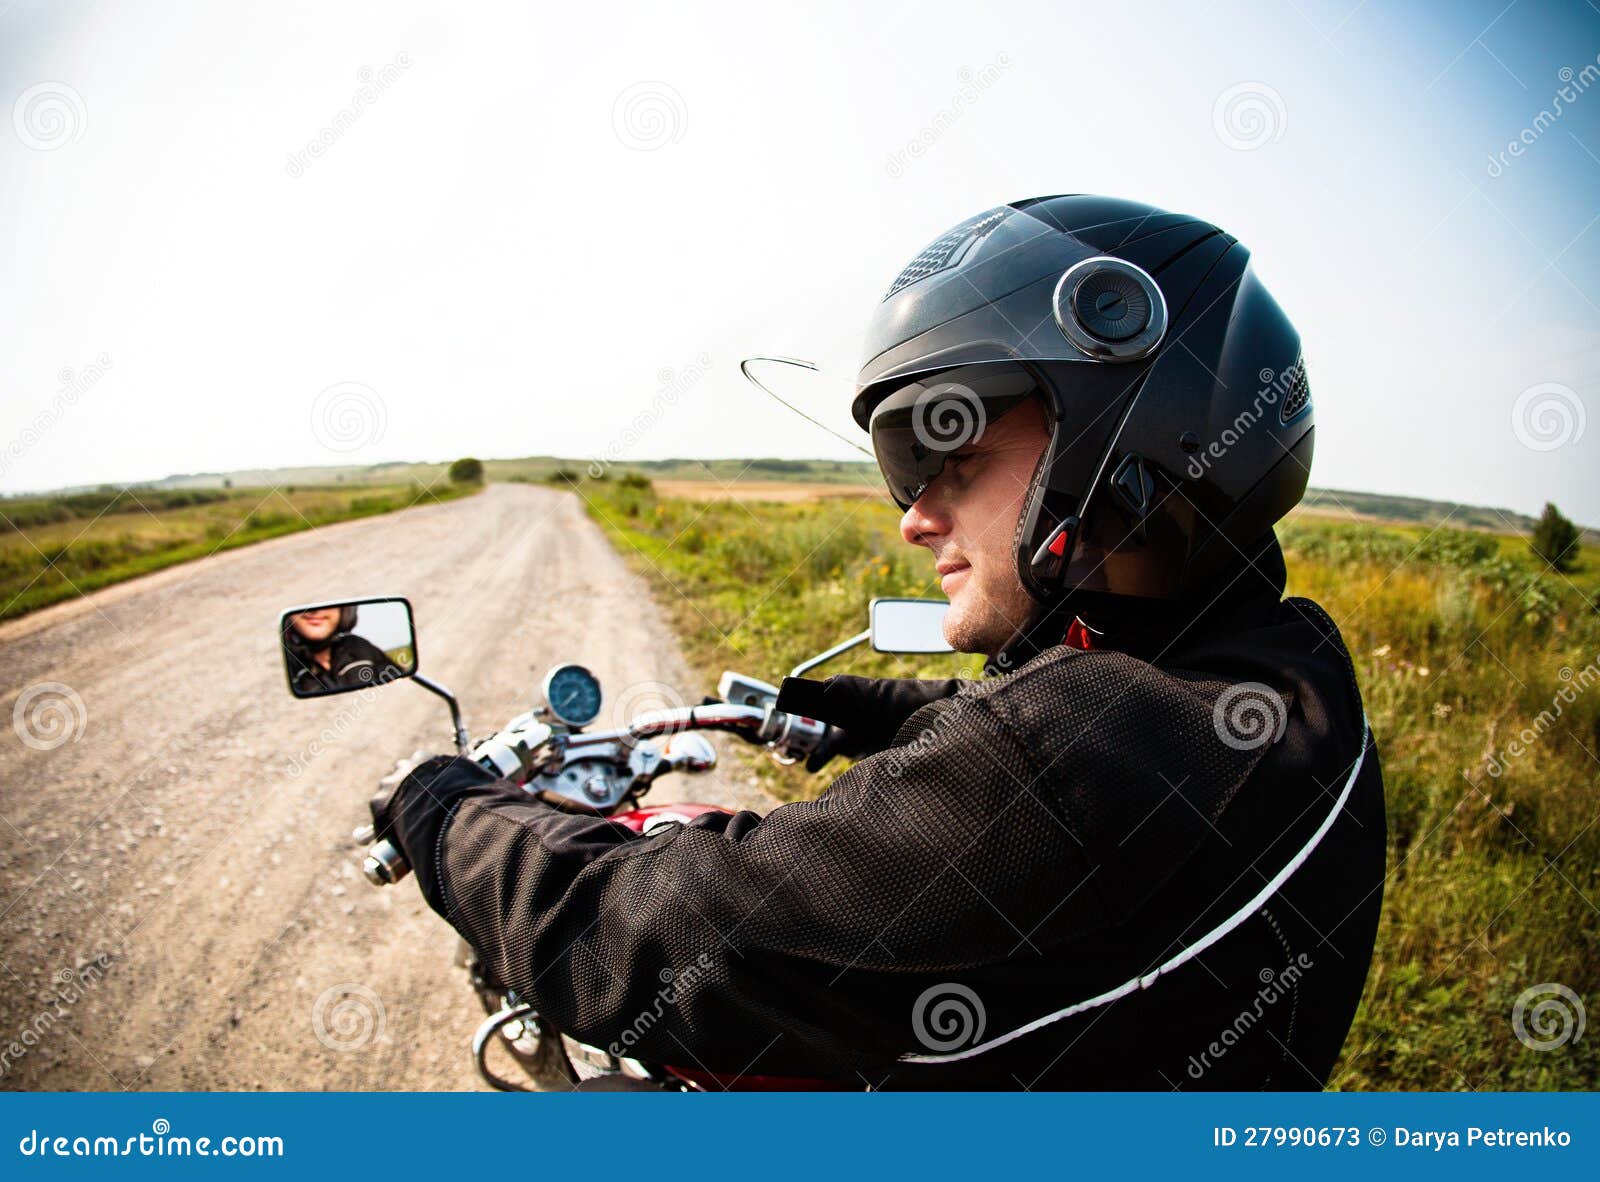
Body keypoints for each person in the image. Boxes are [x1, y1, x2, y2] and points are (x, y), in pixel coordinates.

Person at [375, 195, 1385, 1089]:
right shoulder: (1284, 674)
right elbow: (1004, 723)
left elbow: (660, 937)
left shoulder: (1062, 761)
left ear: (1118, 435)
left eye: (947, 451)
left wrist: (446, 809)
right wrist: (831, 708)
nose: (912, 515)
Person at [282, 605, 405, 694]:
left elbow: (399, 677)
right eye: (303, 605)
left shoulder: (357, 646)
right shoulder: (286, 663)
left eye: (328, 604)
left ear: (344, 611)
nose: (315, 610)